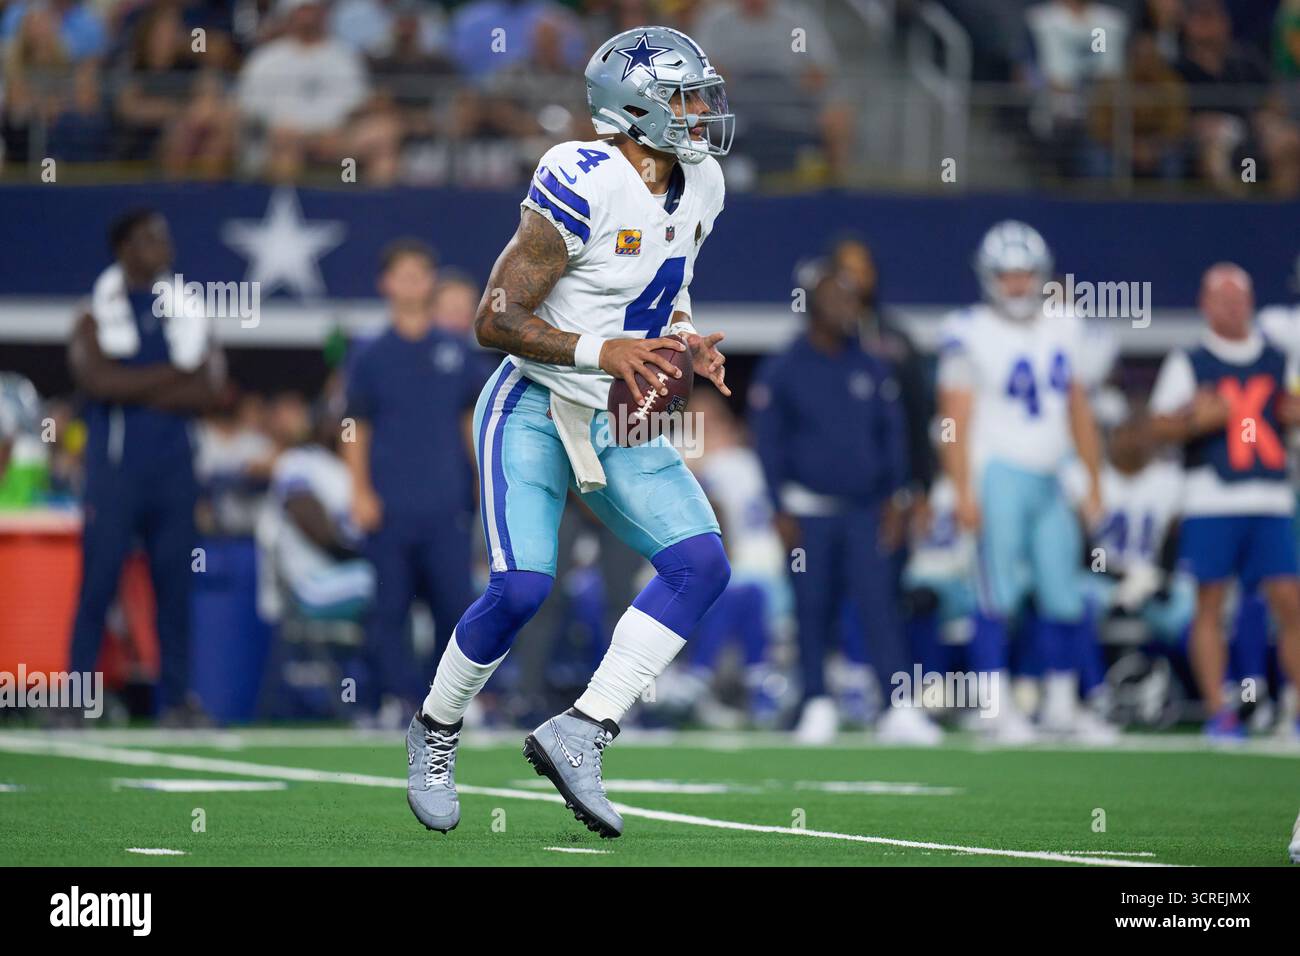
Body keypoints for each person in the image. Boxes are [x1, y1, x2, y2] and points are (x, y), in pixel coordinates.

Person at [404, 25, 734, 839]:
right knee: (521, 588)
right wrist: (603, 349)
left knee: (701, 565)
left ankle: (583, 729)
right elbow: (494, 319)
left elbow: (669, 281)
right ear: (632, 108)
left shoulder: (703, 182)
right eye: (683, 96)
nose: (699, 112)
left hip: (622, 410)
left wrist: (683, 336)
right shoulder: (578, 177)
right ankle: (436, 729)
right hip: (537, 403)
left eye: (700, 95)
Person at [752, 264, 936, 745]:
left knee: (880, 608)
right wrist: (778, 506)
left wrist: (899, 496)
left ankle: (897, 706)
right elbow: (768, 443)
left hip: (865, 510)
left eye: (853, 300)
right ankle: (816, 701)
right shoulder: (785, 367)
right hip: (807, 512)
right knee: (812, 609)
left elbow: (892, 436)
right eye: (838, 299)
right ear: (812, 303)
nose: (848, 309)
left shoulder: (872, 365)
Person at [936, 220, 1105, 742]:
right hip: (999, 472)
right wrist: (963, 490)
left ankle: (1060, 703)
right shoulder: (968, 330)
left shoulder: (1064, 325)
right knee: (996, 594)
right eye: (1007, 275)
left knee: (1063, 592)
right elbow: (954, 421)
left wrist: (1095, 480)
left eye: (1024, 274)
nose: (1016, 284)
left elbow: (1078, 407)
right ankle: (995, 704)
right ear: (989, 277)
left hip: (1053, 474)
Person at [66, 208, 226, 725]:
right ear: (124, 249)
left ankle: (176, 701)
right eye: (150, 238)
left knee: (175, 588)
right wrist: (175, 377)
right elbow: (97, 383)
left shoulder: (188, 311)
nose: (164, 245)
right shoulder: (93, 313)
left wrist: (135, 383)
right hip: (116, 473)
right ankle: (74, 700)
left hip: (174, 471)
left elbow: (212, 389)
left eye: (165, 235)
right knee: (98, 584)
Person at [1148, 263, 1300, 738]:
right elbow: (1159, 425)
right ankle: (1220, 709)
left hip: (1270, 494)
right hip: (1210, 496)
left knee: (1288, 600)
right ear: (1205, 304)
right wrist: (1200, 419)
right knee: (1210, 601)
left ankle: (1293, 709)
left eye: (1240, 298)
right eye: (1224, 299)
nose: (1233, 308)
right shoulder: (1190, 359)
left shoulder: (1277, 356)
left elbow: (1289, 410)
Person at [343, 240, 484, 721]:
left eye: (420, 274)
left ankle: (449, 704)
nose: (411, 284)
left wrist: (483, 482)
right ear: (385, 284)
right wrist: (359, 491)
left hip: (447, 502)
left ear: (431, 282)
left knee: (455, 606)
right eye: (401, 275)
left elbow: (471, 422)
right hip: (390, 502)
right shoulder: (369, 354)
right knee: (390, 609)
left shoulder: (455, 351)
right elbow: (355, 427)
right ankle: (395, 699)